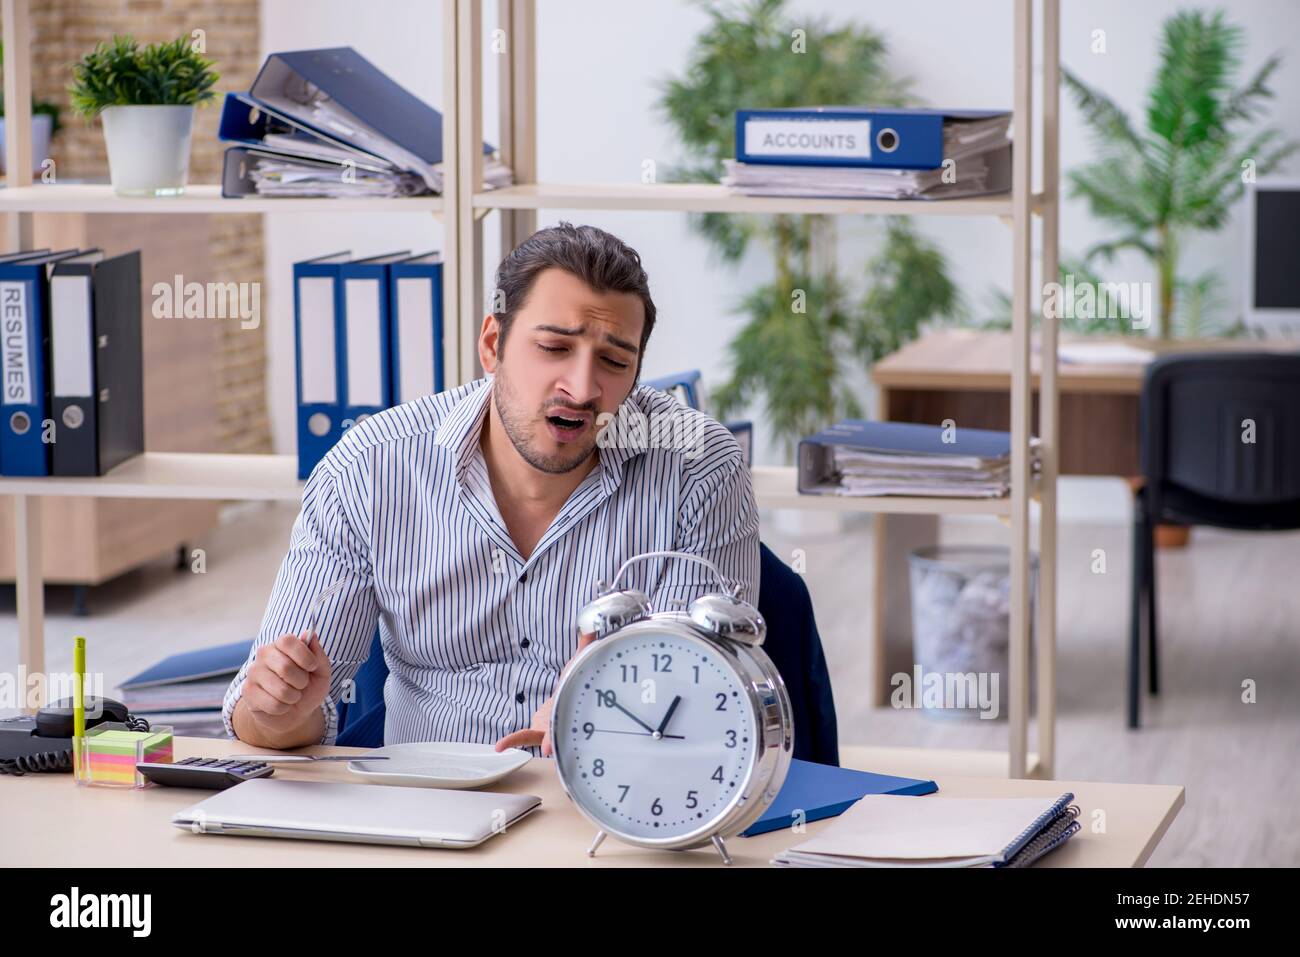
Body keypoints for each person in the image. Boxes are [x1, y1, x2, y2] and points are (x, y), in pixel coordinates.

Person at [222, 222, 759, 756]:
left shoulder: (698, 465)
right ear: (492, 344)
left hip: (615, 801)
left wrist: (601, 709)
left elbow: (704, 693)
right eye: (553, 347)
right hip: (426, 811)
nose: (581, 387)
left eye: (615, 362)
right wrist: (281, 713)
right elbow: (261, 720)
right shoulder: (369, 467)